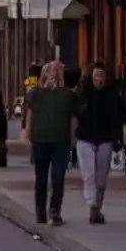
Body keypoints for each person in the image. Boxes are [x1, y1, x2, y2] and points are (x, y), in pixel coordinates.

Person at [22, 60, 78, 226]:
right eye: (50, 72)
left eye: (57, 72)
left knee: (58, 176)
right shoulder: (35, 94)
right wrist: (27, 132)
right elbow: (30, 114)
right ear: (44, 75)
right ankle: (40, 212)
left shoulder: (67, 95)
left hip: (61, 140)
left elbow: (76, 114)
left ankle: (55, 211)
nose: (52, 75)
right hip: (40, 139)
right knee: (41, 178)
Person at [75, 62, 124, 224]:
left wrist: (117, 139)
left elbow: (118, 118)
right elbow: (74, 114)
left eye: (101, 75)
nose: (99, 79)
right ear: (91, 77)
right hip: (85, 138)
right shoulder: (82, 94)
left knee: (101, 178)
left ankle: (98, 206)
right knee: (89, 175)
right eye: (96, 75)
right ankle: (93, 207)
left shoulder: (112, 95)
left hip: (105, 139)